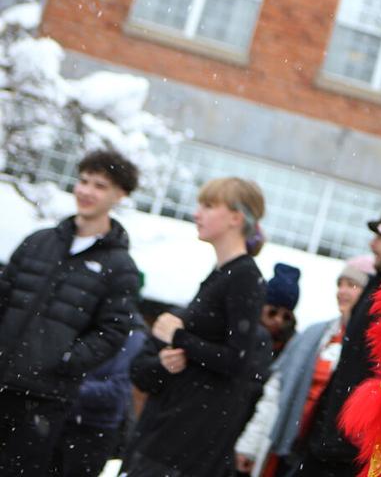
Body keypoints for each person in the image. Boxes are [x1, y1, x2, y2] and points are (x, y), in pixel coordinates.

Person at [0, 149, 141, 477]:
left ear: (119, 195)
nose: (86, 191)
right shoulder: (38, 242)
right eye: (83, 181)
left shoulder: (119, 267)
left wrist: (64, 360)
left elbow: (113, 331)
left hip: (45, 400)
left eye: (100, 186)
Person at [121, 177, 273, 477]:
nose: (196, 213)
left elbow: (236, 359)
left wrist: (178, 337)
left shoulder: (244, 276)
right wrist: (170, 355)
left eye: (208, 205)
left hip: (189, 440)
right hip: (171, 426)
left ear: (235, 217)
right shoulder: (223, 272)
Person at [288, 204, 381, 477]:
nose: (373, 244)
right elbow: (345, 368)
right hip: (324, 441)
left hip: (357, 453)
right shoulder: (373, 287)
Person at [234, 256, 374, 477]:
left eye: (353, 285)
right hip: (285, 444)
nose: (343, 291)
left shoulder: (369, 346)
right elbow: (275, 395)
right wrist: (250, 446)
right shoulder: (314, 335)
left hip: (327, 453)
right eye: (341, 284)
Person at [51, 318, 146, 477]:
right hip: (58, 418)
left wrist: (66, 388)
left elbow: (116, 391)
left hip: (93, 429)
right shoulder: (82, 322)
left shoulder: (133, 336)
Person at [261, 263, 302, 360]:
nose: (278, 320)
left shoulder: (293, 344)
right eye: (273, 312)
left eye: (286, 317)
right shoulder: (244, 330)